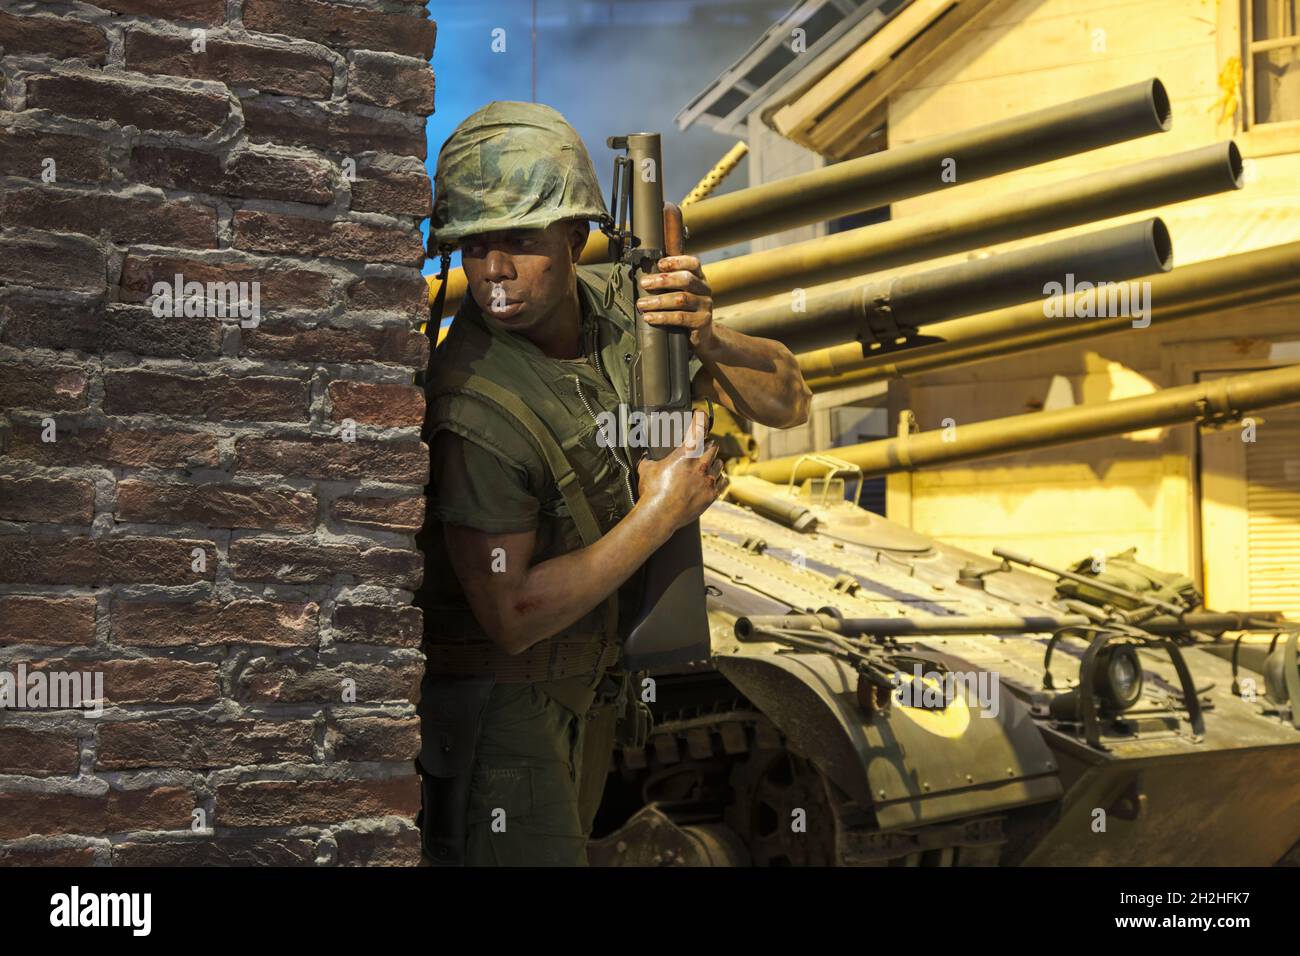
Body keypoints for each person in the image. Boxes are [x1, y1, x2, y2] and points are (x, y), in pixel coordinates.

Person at [414, 101, 811, 866]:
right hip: (506, 720)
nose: (493, 271)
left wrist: (708, 334)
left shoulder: (630, 313)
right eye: (474, 247)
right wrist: (660, 512)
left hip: (589, 699)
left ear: (574, 237)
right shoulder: (474, 405)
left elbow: (790, 400)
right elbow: (512, 612)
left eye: (519, 242)